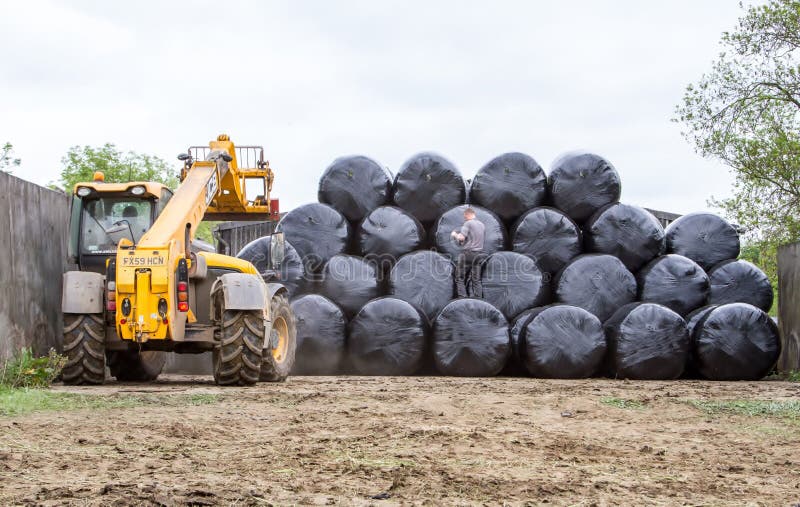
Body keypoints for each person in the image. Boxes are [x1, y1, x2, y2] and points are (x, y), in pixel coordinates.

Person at [451, 207, 486, 298]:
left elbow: (461, 238)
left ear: (467, 214)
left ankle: (463, 298)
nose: (464, 218)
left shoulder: (468, 223)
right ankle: (479, 298)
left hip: (468, 254)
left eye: (464, 216)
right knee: (476, 279)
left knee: (459, 277)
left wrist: (455, 234)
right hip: (479, 254)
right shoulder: (482, 225)